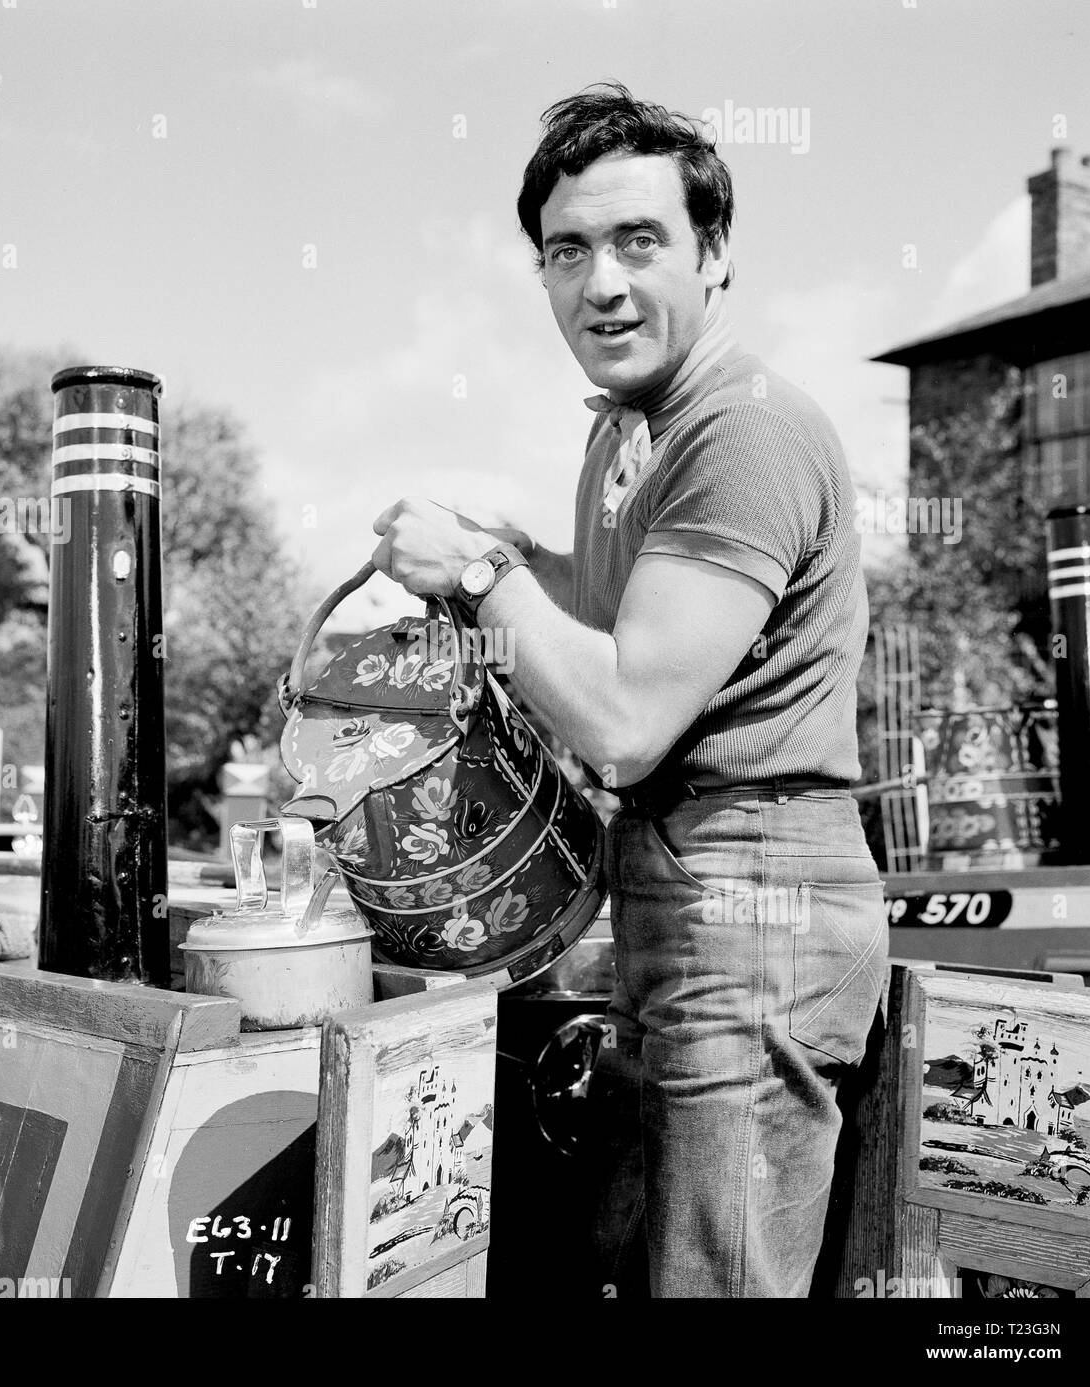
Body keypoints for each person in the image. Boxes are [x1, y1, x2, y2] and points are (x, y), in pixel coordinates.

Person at [370, 81, 887, 1297]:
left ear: (714, 256)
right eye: (567, 251)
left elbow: (622, 714)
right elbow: (618, 634)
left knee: (713, 1282)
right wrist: (529, 563)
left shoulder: (742, 430)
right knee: (637, 1265)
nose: (600, 281)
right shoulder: (628, 427)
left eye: (637, 240)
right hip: (674, 882)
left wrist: (487, 571)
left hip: (757, 888)